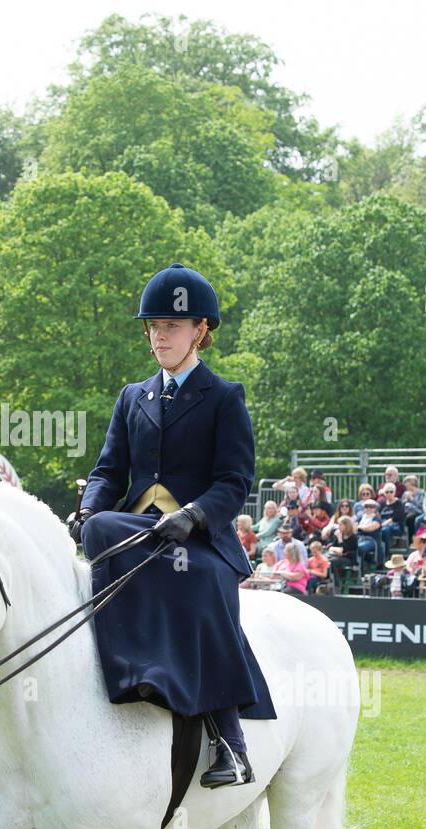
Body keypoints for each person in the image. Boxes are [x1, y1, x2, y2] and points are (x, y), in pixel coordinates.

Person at [70, 262, 272, 789]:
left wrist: (194, 515)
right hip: (134, 531)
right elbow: (108, 471)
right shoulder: (131, 396)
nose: (160, 337)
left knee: (199, 583)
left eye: (173, 328)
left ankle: (231, 741)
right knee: (96, 532)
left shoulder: (225, 397)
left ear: (199, 330)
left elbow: (234, 480)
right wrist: (90, 509)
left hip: (199, 540)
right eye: (155, 327)